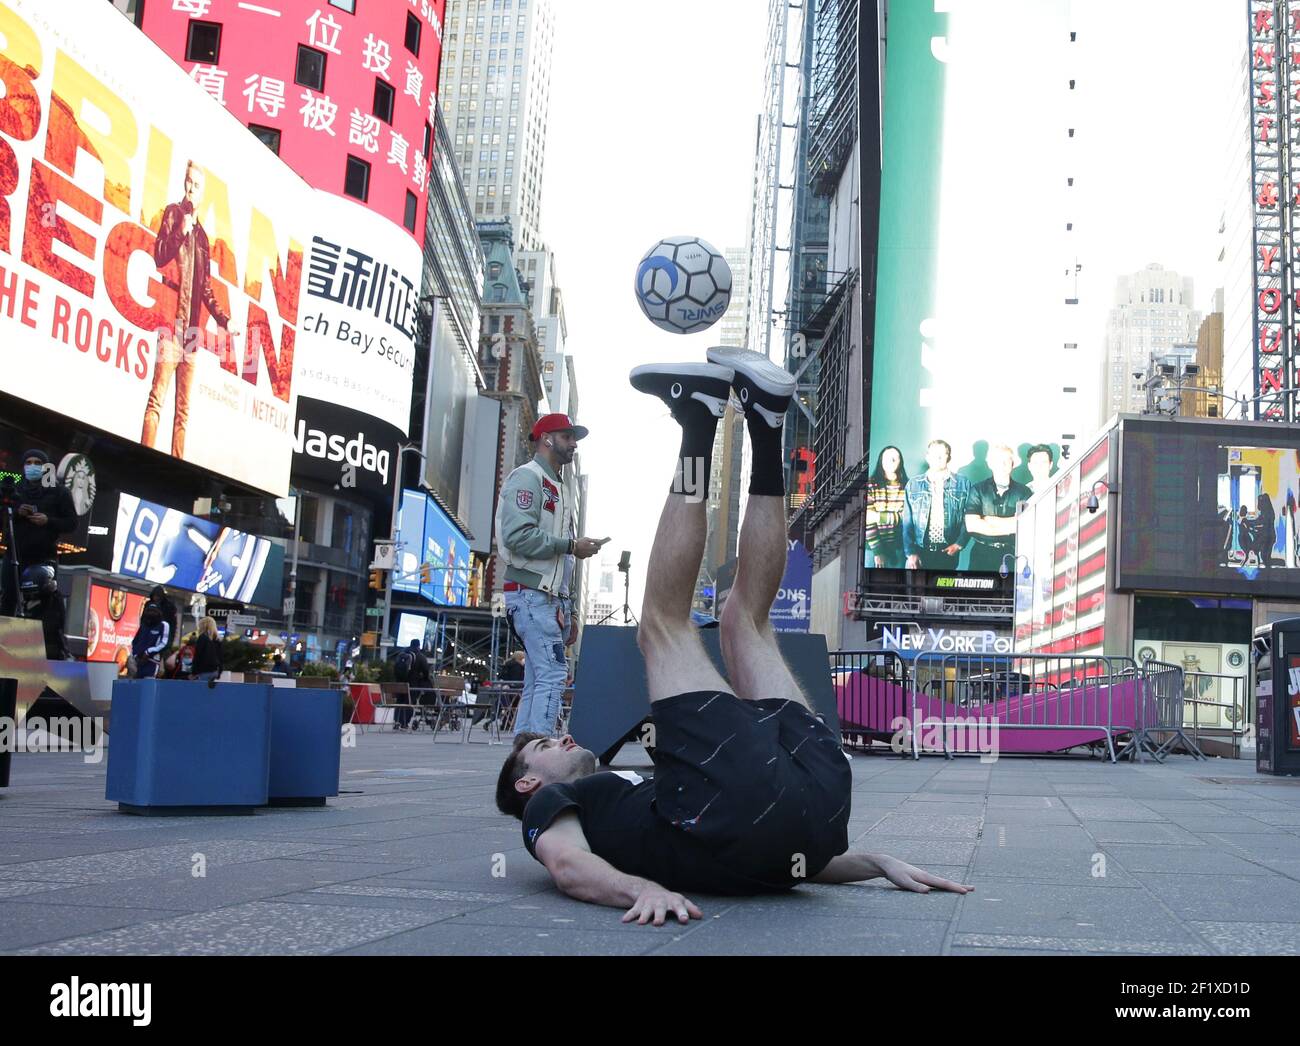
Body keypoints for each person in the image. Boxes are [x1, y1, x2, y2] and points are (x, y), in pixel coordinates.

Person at [495, 348, 973, 924]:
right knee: (662, 626)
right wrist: (638, 891)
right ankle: (699, 421)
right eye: (545, 747)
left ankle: (766, 426)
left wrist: (872, 862)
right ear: (528, 782)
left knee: (745, 621)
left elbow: (774, 851)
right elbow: (567, 866)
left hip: (818, 808)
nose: (563, 739)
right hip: (737, 797)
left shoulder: (615, 799)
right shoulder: (547, 804)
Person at [494, 412, 605, 736]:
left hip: (543, 597)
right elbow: (517, 536)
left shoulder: (557, 485)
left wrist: (567, 607)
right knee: (553, 675)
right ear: (546, 438)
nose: (573, 444)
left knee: (539, 678)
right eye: (568, 437)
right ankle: (538, 754)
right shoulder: (527, 478)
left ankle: (525, 756)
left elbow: (561, 562)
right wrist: (571, 545)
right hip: (529, 595)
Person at [141, 160, 241, 460]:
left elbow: (206, 287)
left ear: (202, 193)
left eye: (196, 185)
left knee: (183, 411)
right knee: (157, 400)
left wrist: (224, 319)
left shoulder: (203, 238)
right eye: (187, 182)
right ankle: (143, 459)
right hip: (171, 328)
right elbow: (159, 256)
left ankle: (175, 467)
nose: (190, 188)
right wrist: (179, 232)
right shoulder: (173, 215)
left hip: (192, 336)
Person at [0, 448, 76, 659]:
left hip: (43, 557)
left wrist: (48, 521)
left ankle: (45, 650)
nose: (32, 466)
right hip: (14, 553)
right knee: (8, 599)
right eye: (28, 462)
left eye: (37, 462)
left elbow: (72, 522)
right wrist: (17, 512)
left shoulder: (59, 492)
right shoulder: (15, 490)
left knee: (44, 602)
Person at [902, 439, 971, 570]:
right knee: (919, 589)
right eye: (934, 454)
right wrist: (910, 553)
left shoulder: (963, 483)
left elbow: (968, 517)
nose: (937, 457)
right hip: (920, 550)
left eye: (942, 454)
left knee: (944, 589)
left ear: (949, 457)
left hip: (948, 551)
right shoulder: (913, 484)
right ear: (927, 457)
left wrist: (959, 544)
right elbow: (907, 521)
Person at [964, 444, 1032, 573]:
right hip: (981, 556)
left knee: (1009, 592)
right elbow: (972, 525)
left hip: (1012, 555)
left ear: (1013, 464)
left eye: (1007, 460)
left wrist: (989, 520)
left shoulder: (1024, 492)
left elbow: (1025, 527)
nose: (1003, 464)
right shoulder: (977, 490)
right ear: (990, 464)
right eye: (998, 460)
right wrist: (1012, 524)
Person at [863, 446, 908, 569]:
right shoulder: (871, 484)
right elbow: (867, 521)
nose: (891, 461)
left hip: (899, 548)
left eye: (895, 458)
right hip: (873, 549)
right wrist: (878, 552)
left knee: (899, 586)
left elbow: (908, 518)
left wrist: (877, 516)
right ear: (881, 461)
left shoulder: (908, 487)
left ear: (900, 461)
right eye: (887, 458)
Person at [393, 638, 432, 730]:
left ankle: (397, 721)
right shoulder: (420, 656)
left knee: (400, 702)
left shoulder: (401, 654)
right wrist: (425, 679)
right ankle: (404, 723)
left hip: (400, 683)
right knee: (409, 702)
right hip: (412, 684)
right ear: (418, 646)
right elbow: (426, 671)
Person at [131, 601, 171, 679]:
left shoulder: (163, 625)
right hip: (138, 661)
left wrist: (148, 652)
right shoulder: (144, 625)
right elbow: (135, 641)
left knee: (148, 685)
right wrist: (136, 655)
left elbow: (164, 643)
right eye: (149, 611)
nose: (151, 613)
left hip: (152, 661)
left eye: (154, 611)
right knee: (137, 687)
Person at [191, 615, 223, 684]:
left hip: (204, 670)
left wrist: (194, 672)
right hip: (215, 671)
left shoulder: (202, 638)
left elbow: (198, 655)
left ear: (202, 626)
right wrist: (219, 672)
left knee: (200, 691)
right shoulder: (217, 639)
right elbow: (221, 657)